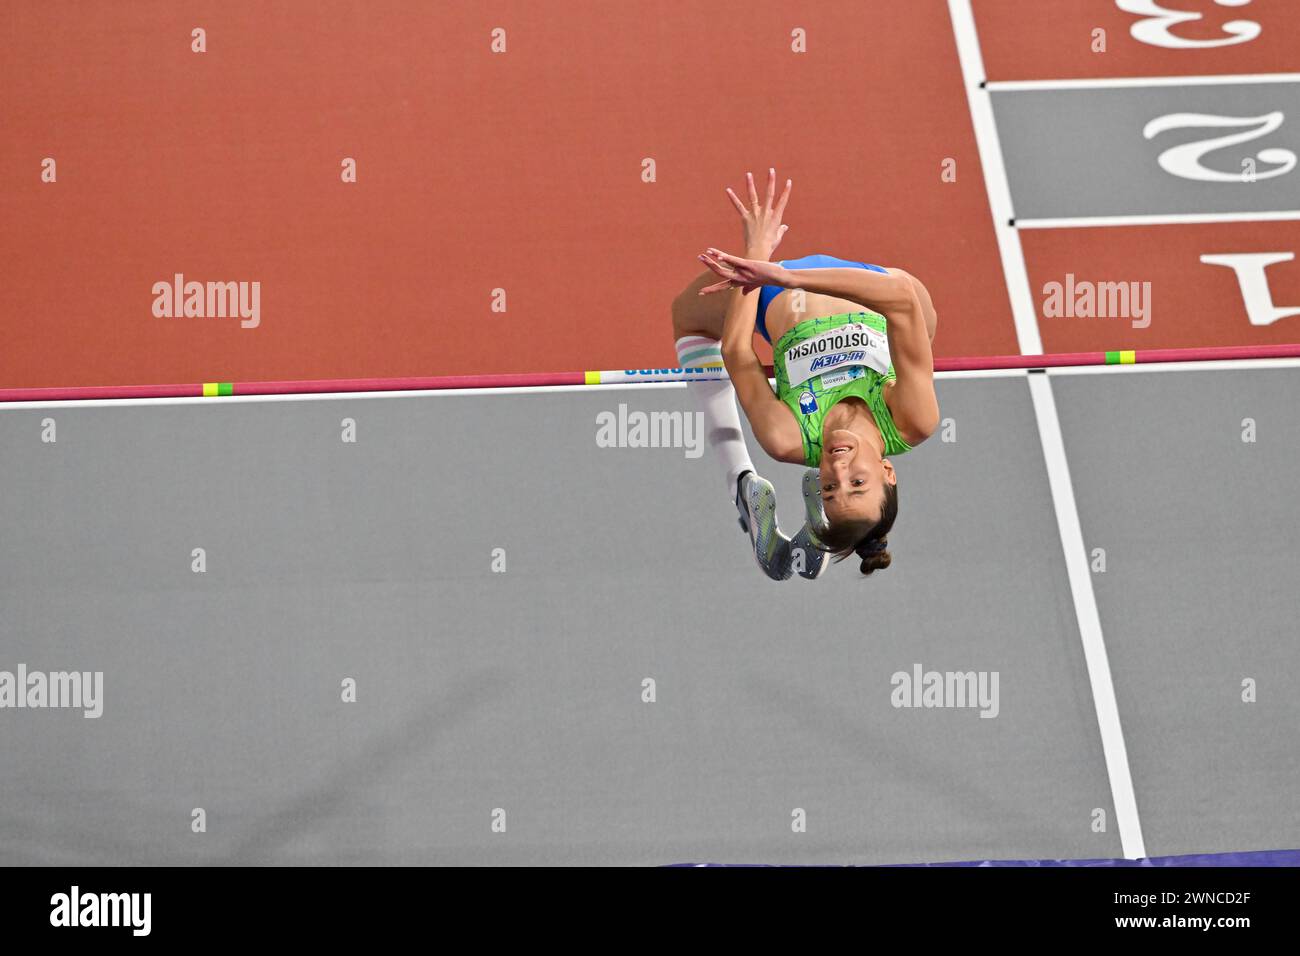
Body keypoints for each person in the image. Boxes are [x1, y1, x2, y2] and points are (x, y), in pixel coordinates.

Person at [671, 169, 939, 577]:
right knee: (921, 314)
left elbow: (737, 353)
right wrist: (786, 273)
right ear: (888, 472)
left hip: (774, 297)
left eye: (830, 488)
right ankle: (766, 497)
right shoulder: (911, 421)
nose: (838, 470)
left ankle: (741, 481)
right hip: (870, 283)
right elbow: (901, 303)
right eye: (858, 483)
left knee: (687, 317)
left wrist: (758, 258)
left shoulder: (788, 439)